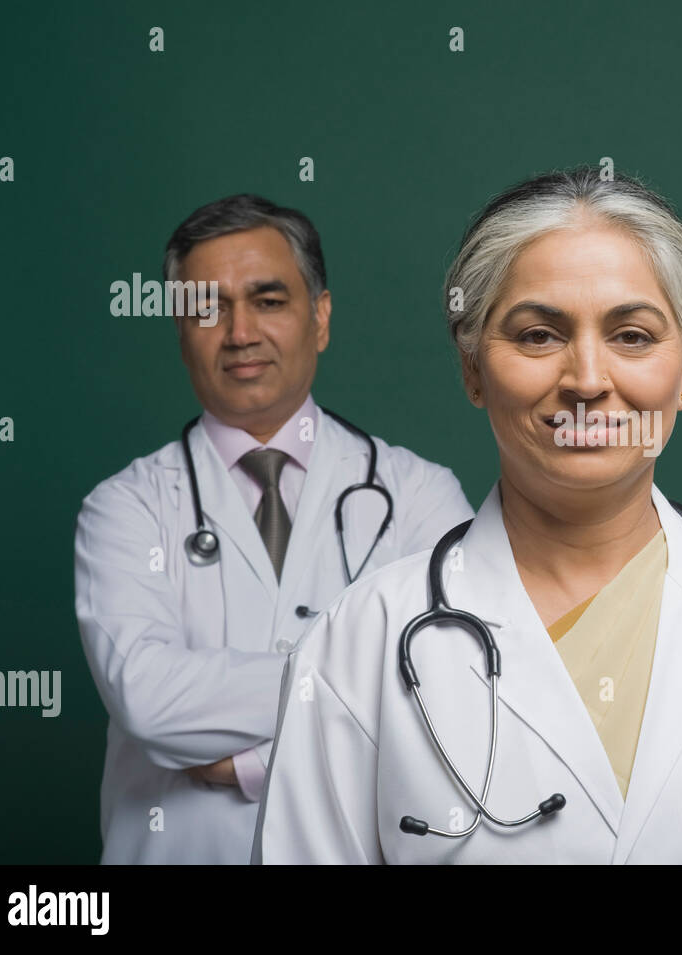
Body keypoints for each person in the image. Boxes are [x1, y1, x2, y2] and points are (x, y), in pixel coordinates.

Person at [252, 167, 682, 864]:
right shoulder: (359, 644)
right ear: (472, 367)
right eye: (538, 335)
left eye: (632, 335)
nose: (588, 380)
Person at [74, 194, 474, 864]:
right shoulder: (124, 507)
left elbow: (458, 686)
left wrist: (255, 761)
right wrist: (365, 673)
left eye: (268, 300)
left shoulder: (419, 495)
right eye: (208, 307)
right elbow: (149, 698)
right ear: (179, 326)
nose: (239, 332)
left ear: (319, 318)